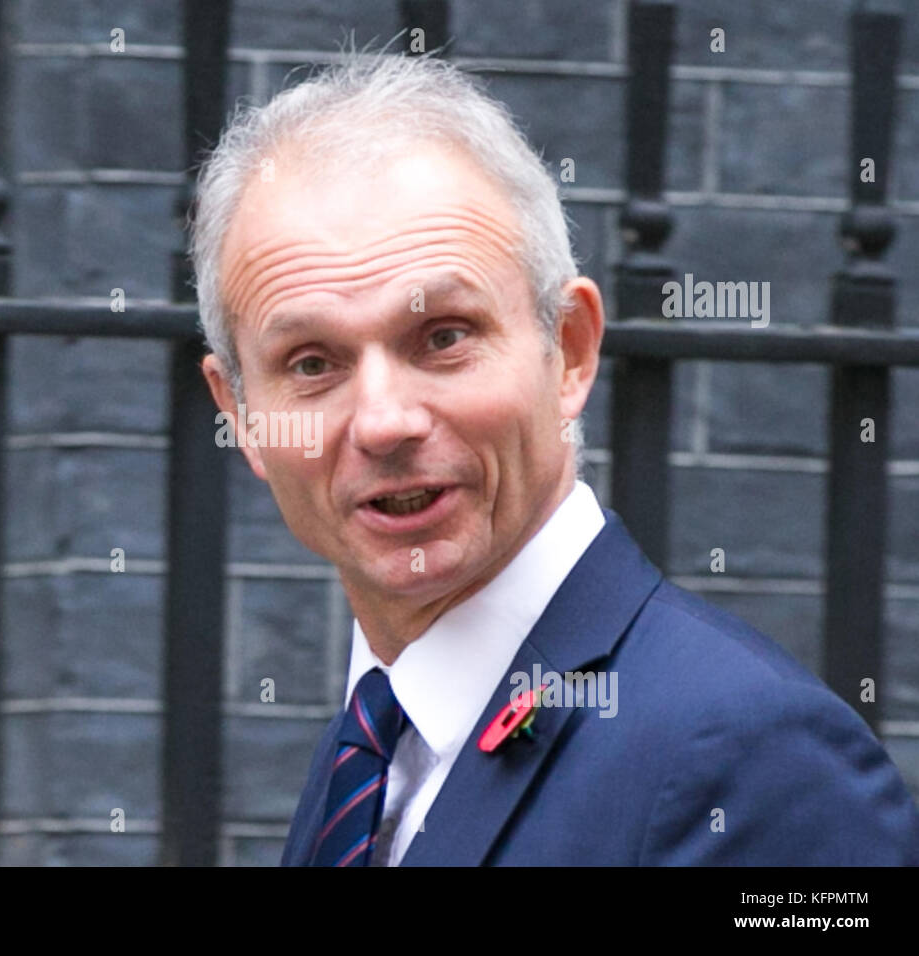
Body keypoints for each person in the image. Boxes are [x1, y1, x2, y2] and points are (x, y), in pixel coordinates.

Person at [188, 51, 919, 865]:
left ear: (568, 350)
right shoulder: (372, 749)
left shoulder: (756, 759)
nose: (384, 422)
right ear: (242, 416)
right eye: (312, 363)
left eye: (443, 337)